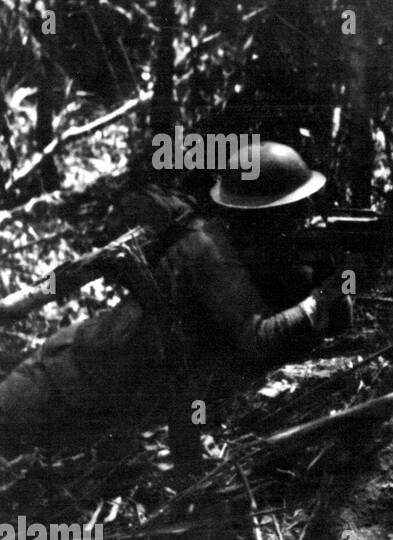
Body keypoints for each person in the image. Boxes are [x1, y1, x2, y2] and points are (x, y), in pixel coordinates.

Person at [0, 141, 353, 458]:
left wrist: (329, 275)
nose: (302, 218)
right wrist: (325, 294)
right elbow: (258, 339)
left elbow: (319, 329)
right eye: (292, 210)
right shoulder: (210, 250)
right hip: (63, 381)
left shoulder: (253, 250)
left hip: (106, 405)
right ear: (261, 215)